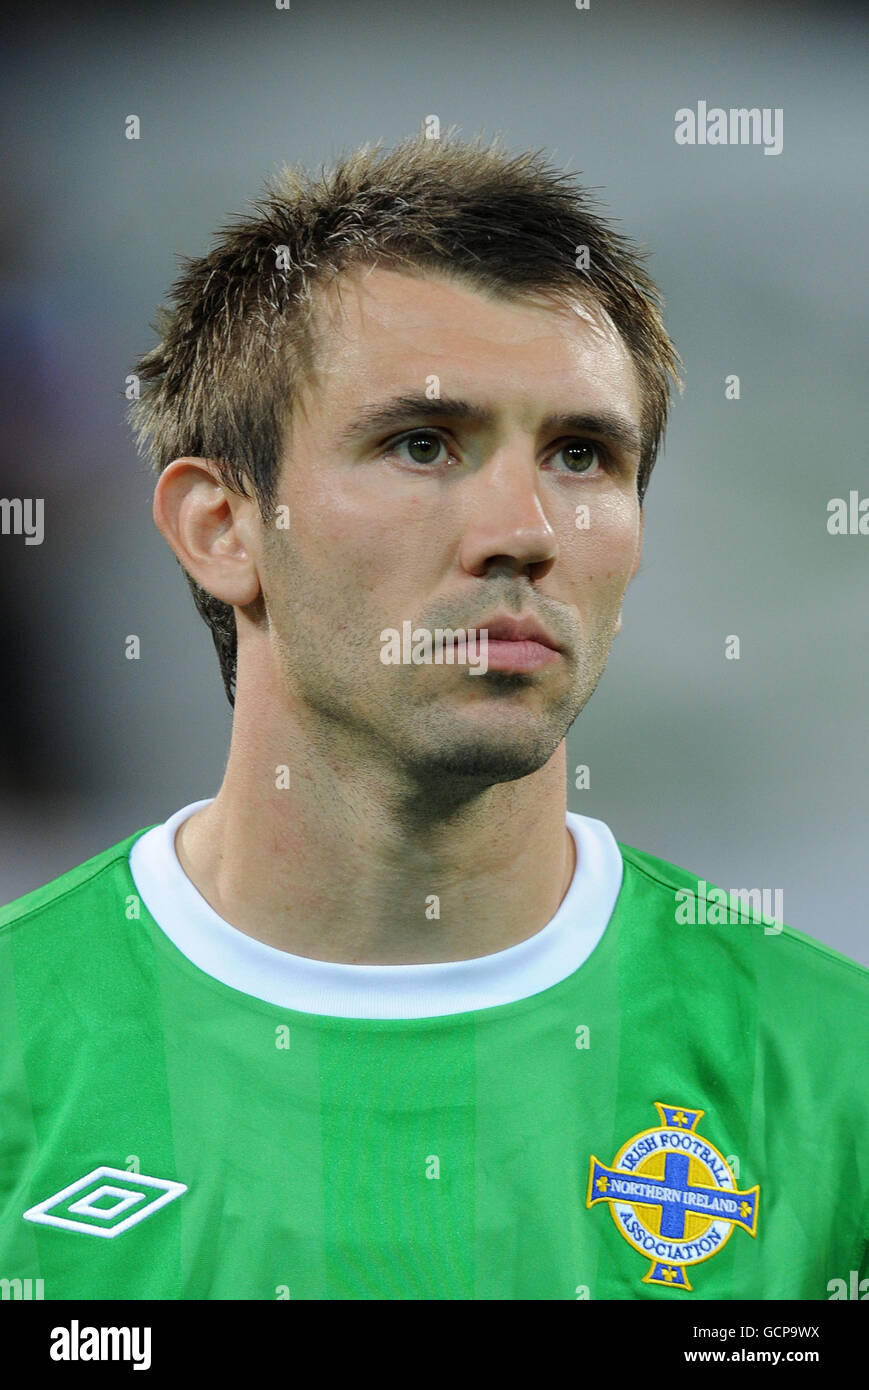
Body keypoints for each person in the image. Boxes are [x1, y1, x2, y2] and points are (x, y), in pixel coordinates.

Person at [1, 133, 865, 1302]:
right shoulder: (23, 1043)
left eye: (581, 454)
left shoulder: (825, 1073)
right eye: (420, 443)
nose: (525, 528)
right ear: (221, 528)